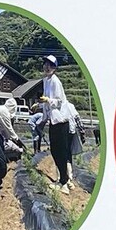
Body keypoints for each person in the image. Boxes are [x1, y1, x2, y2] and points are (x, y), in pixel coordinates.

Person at [40, 54, 73, 193]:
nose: (47, 67)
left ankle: (64, 183)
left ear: (54, 68)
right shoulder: (46, 81)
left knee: (60, 152)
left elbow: (58, 101)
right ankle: (64, 179)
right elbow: (47, 102)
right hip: (53, 121)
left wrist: (47, 100)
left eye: (50, 65)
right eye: (45, 64)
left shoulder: (55, 81)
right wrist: (41, 107)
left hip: (60, 120)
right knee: (55, 151)